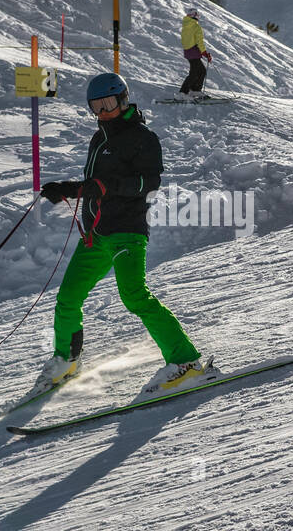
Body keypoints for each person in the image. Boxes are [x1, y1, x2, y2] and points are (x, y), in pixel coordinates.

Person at [39, 73, 206, 393]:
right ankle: (67, 360)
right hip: (95, 235)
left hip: (127, 233)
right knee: (68, 297)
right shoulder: (98, 139)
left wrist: (103, 187)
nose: (103, 111)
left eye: (109, 103)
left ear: (123, 100)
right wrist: (68, 189)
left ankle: (186, 362)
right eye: (96, 106)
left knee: (134, 296)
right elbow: (95, 185)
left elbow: (149, 184)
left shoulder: (142, 138)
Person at [179, 7, 212, 96]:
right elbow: (199, 41)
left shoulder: (185, 25)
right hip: (194, 51)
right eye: (197, 14)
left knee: (201, 71)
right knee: (194, 73)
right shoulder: (195, 26)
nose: (198, 16)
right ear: (194, 15)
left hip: (188, 51)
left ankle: (195, 90)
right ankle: (183, 92)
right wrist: (204, 52)